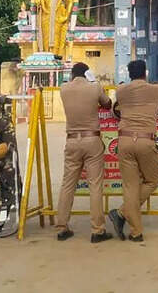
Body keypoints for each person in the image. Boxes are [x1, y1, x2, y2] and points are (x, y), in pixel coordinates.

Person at [107, 60, 158, 242]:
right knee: (152, 180)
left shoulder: (121, 90)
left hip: (123, 140)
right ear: (145, 73)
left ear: (129, 74)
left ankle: (136, 231)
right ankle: (121, 213)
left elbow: (115, 107)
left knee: (130, 187)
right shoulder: (154, 89)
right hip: (145, 141)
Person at [54, 62, 113, 243]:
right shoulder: (94, 88)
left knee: (67, 184)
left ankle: (62, 227)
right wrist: (95, 83)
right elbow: (108, 104)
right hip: (92, 139)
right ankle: (97, 230)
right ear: (87, 74)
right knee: (95, 185)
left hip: (72, 140)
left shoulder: (63, 89)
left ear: (71, 75)